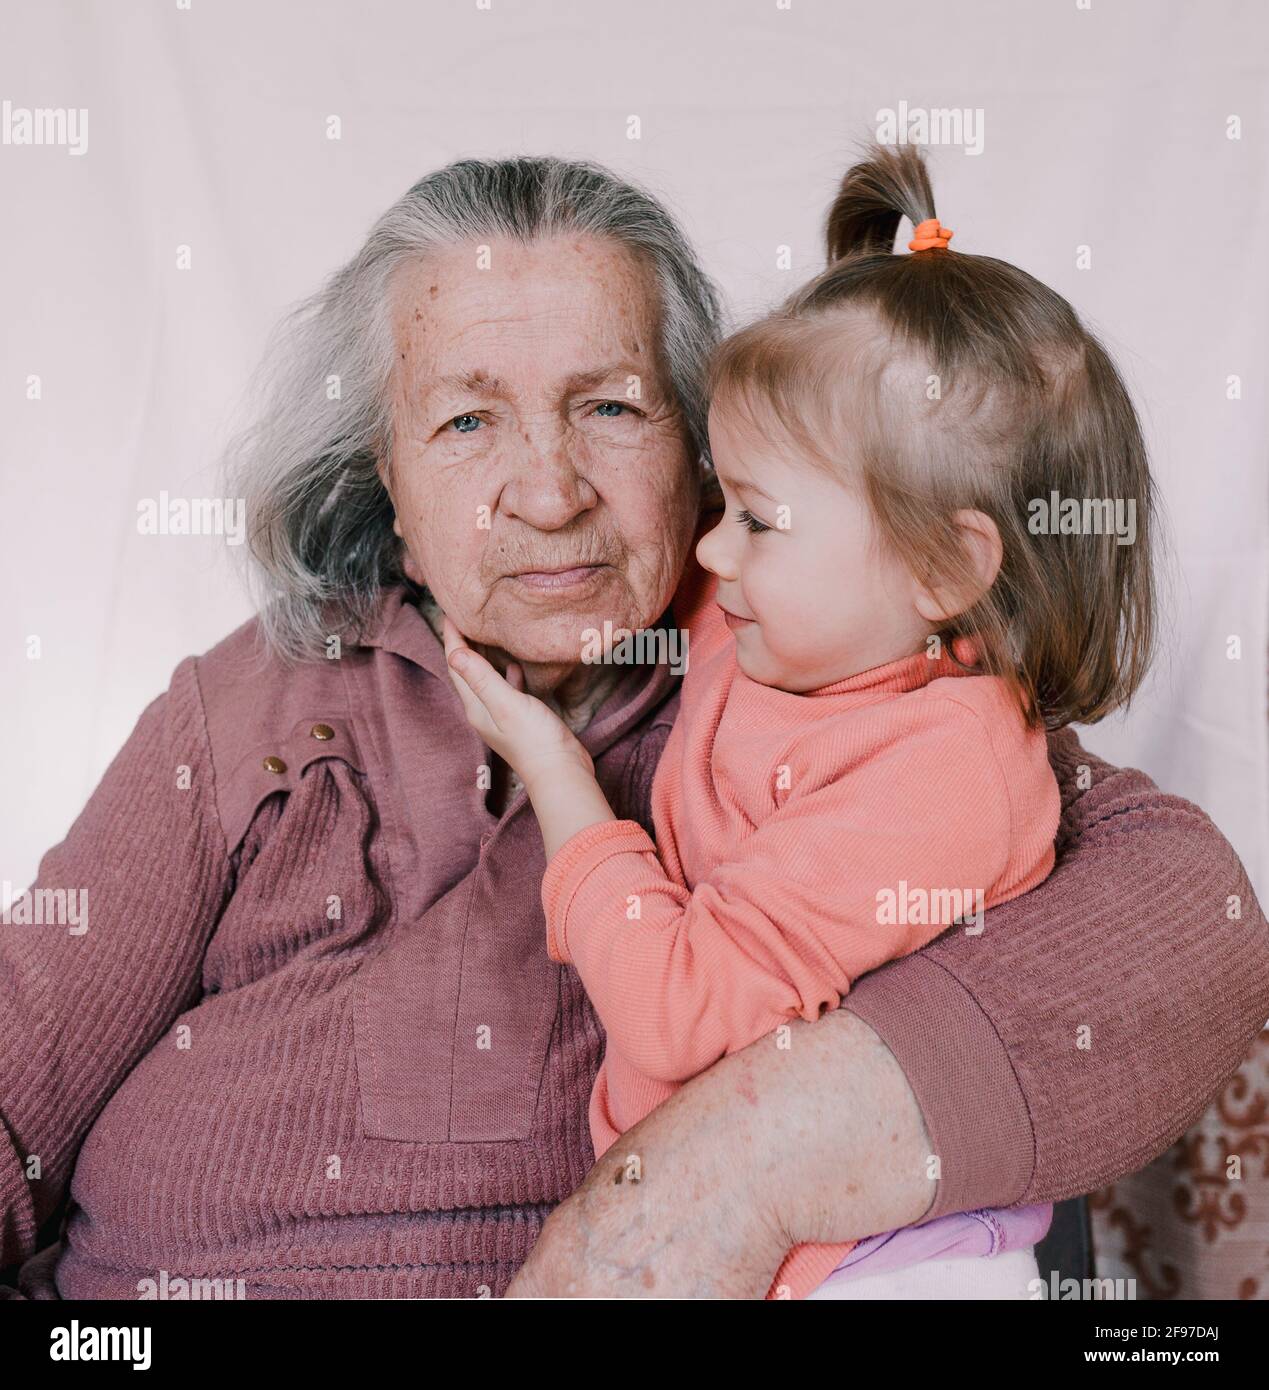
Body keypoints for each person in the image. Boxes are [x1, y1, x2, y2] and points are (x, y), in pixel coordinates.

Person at [1, 155, 1265, 1300]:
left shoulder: (826, 667)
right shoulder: (253, 699)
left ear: (703, 445)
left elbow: (1187, 910)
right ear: (380, 468)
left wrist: (757, 1154)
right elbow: (22, 1070)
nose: (549, 494)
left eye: (612, 407)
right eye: (465, 420)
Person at [440, 143, 1158, 1298]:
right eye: (722, 499)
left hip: (891, 1275)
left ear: (944, 566)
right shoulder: (783, 628)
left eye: (759, 519)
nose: (712, 550)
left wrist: (555, 773)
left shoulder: (948, 774)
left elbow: (676, 1011)